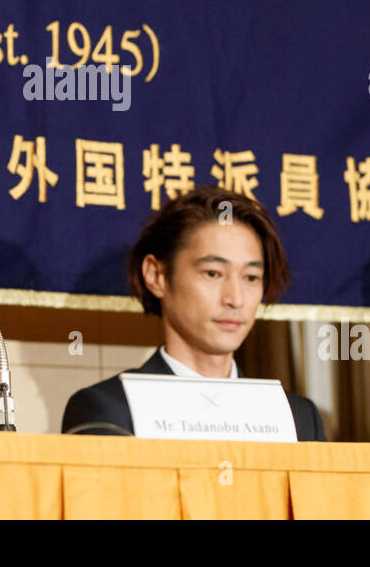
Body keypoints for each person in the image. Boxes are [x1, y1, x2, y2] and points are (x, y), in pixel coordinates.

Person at [61, 187, 325, 440]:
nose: (235, 299)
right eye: (213, 273)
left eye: (251, 277)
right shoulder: (110, 409)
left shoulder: (296, 417)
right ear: (157, 275)